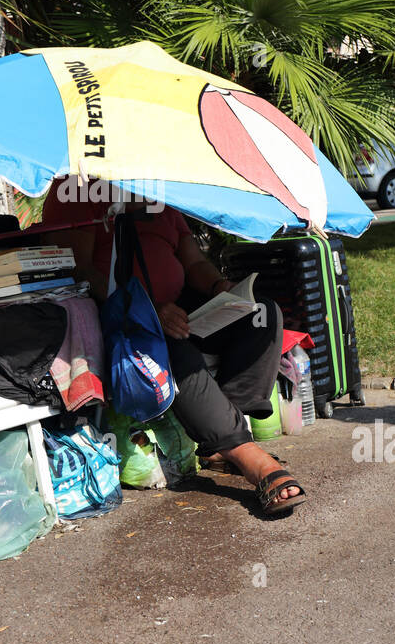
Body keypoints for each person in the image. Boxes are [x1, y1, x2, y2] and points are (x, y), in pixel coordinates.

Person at [41, 179, 305, 513]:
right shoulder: (77, 188)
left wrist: (220, 287)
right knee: (174, 346)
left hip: (179, 307)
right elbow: (78, 268)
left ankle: (223, 439)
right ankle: (250, 457)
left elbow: (193, 263)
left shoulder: (155, 190)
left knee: (261, 314)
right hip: (122, 318)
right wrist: (147, 309)